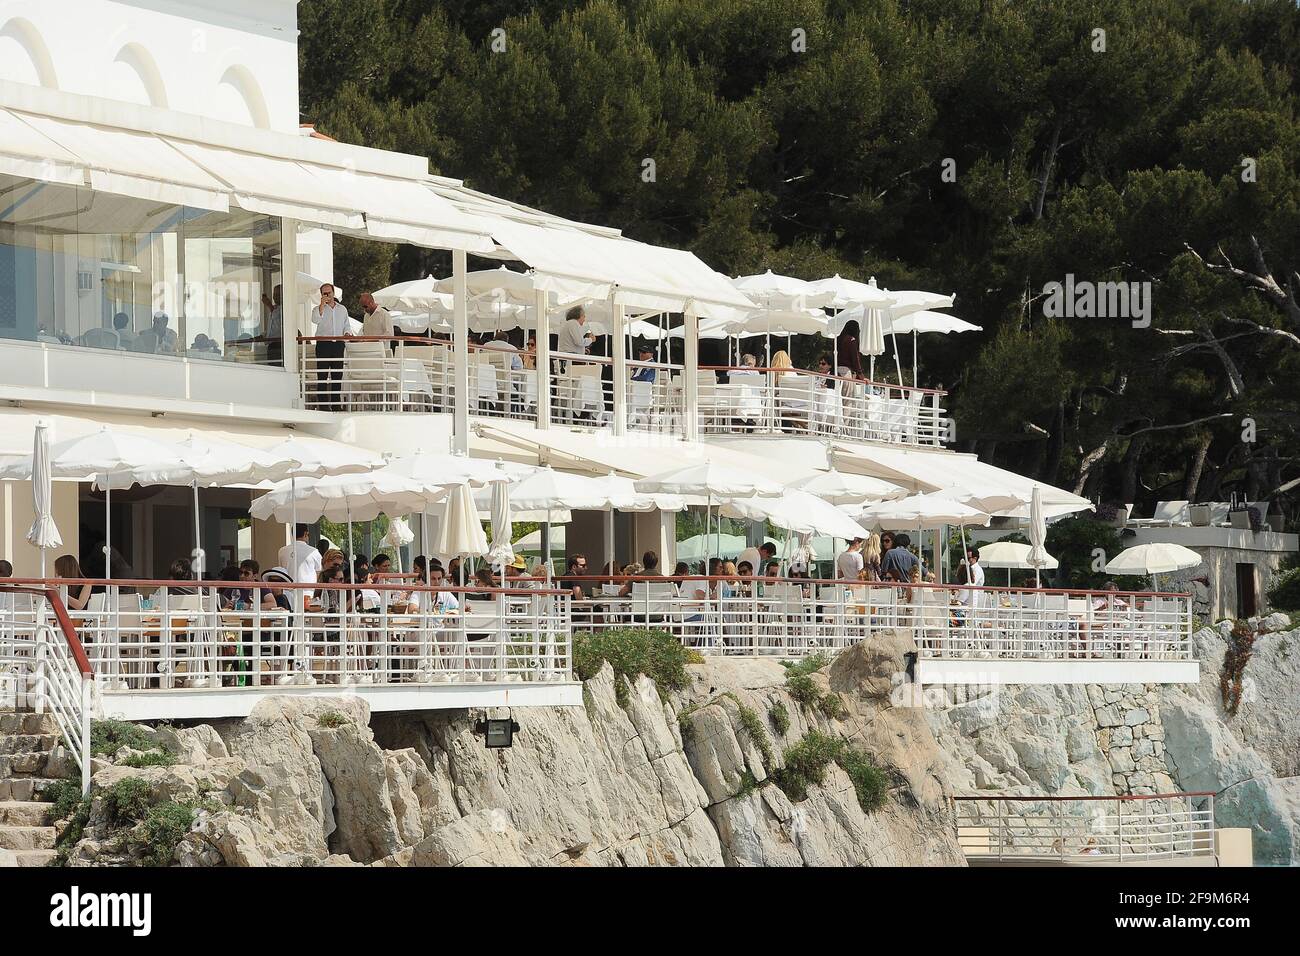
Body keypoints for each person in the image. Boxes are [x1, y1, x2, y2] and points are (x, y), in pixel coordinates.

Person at [311, 283, 351, 408]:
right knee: (322, 375)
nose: (327, 295)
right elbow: (315, 320)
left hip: (338, 344)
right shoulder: (317, 309)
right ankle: (322, 404)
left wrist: (347, 333)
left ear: (334, 293)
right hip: (323, 344)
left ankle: (336, 404)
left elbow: (346, 324)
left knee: (337, 375)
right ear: (321, 294)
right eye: (324, 293)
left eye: (329, 292)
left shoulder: (342, 309)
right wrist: (322, 305)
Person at [279, 524, 322, 599]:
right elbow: (319, 573)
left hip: (288, 592)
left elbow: (282, 570)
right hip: (308, 592)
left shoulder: (282, 551)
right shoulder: (313, 551)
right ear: (305, 534)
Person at [261, 284, 284, 366]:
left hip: (279, 345)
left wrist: (269, 305)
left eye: (278, 295)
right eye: (274, 294)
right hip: (271, 345)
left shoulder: (285, 308)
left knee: (277, 367)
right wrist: (263, 336)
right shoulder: (275, 308)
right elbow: (273, 327)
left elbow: (280, 324)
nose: (275, 297)